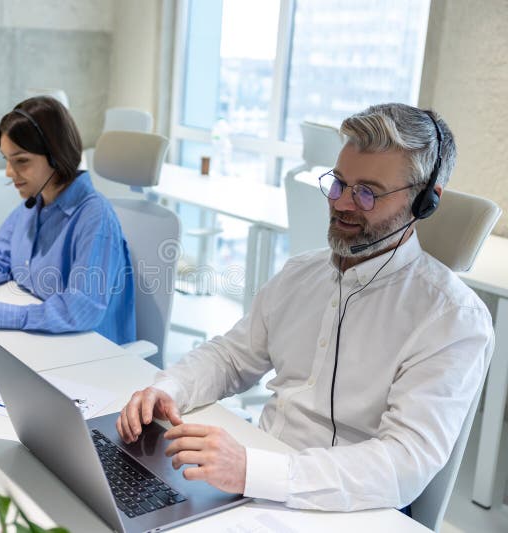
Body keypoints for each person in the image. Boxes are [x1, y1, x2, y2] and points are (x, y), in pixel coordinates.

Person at [116, 103, 494, 512]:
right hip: (249, 486)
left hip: (344, 510)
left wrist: (251, 469)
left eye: (367, 192)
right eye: (339, 183)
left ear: (425, 202)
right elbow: (231, 357)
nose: (343, 204)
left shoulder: (452, 319)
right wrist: (168, 389)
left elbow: (404, 464)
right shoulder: (302, 273)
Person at [0, 96, 136, 345]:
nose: (9, 173)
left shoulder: (94, 218)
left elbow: (78, 310)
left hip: (89, 350)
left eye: (21, 161)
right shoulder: (35, 204)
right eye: (7, 160)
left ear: (57, 156)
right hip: (45, 340)